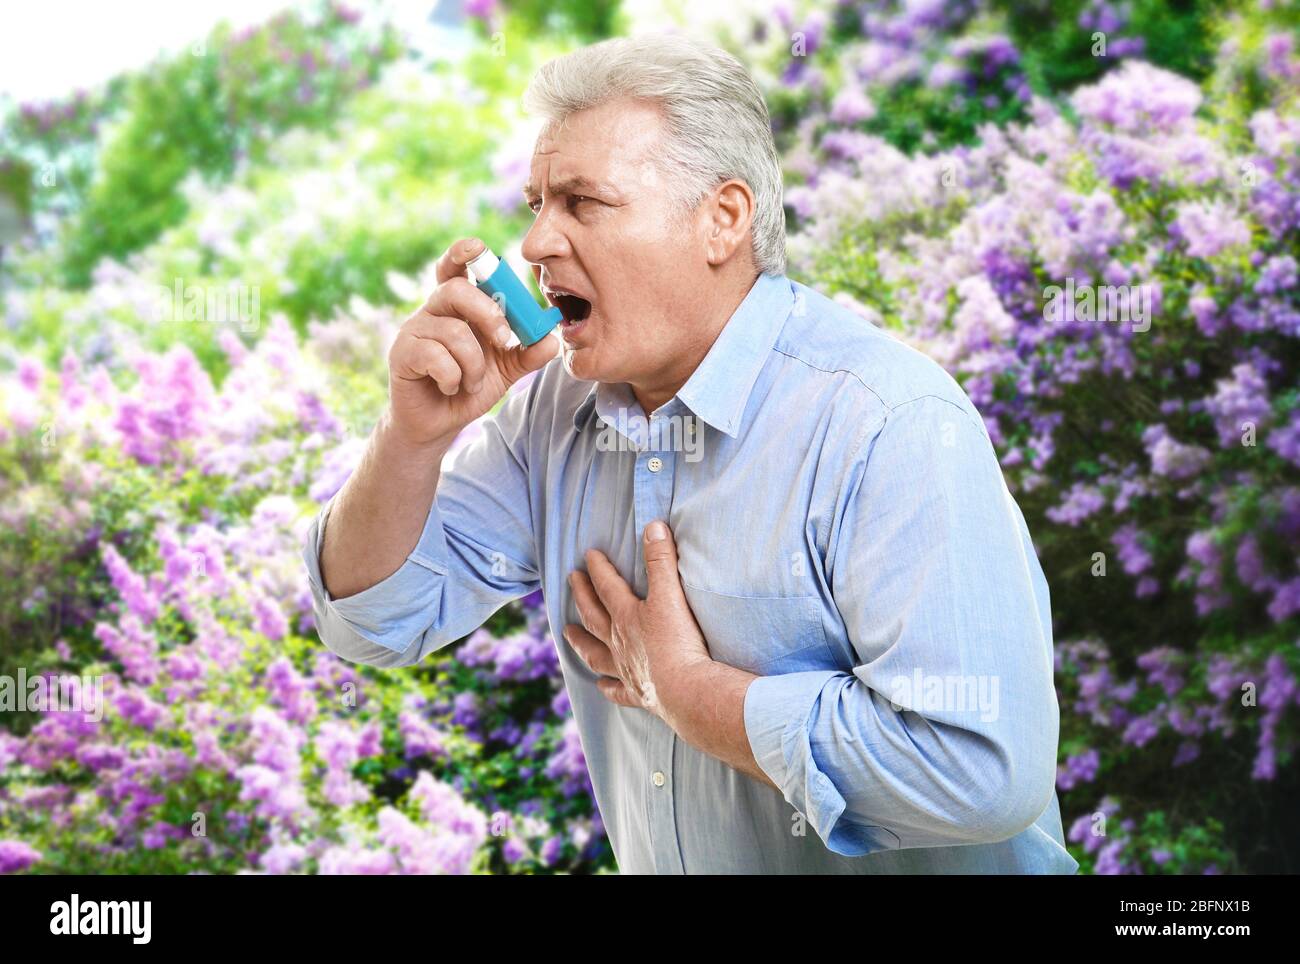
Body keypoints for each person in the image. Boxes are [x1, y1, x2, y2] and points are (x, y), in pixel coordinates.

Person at [302, 32, 1079, 875]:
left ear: (723, 220)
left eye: (583, 203)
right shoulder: (549, 416)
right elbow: (373, 622)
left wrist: (689, 693)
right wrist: (411, 438)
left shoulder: (887, 422)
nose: (535, 245)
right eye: (536, 206)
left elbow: (980, 771)